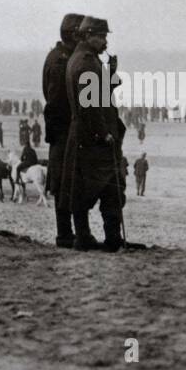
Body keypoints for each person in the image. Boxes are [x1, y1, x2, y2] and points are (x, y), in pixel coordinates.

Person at [60, 16, 127, 251]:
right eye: (102, 36)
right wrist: (104, 134)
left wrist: (110, 75)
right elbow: (90, 105)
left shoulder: (80, 59)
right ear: (89, 35)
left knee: (82, 190)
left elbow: (94, 95)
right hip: (94, 139)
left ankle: (84, 236)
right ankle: (111, 239)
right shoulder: (87, 62)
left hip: (82, 136)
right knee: (111, 186)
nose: (105, 41)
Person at [42, 13, 84, 247]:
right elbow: (55, 101)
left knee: (69, 181)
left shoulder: (60, 57)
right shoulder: (62, 61)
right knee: (64, 182)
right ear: (73, 34)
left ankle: (70, 233)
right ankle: (65, 234)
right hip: (64, 130)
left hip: (63, 129)